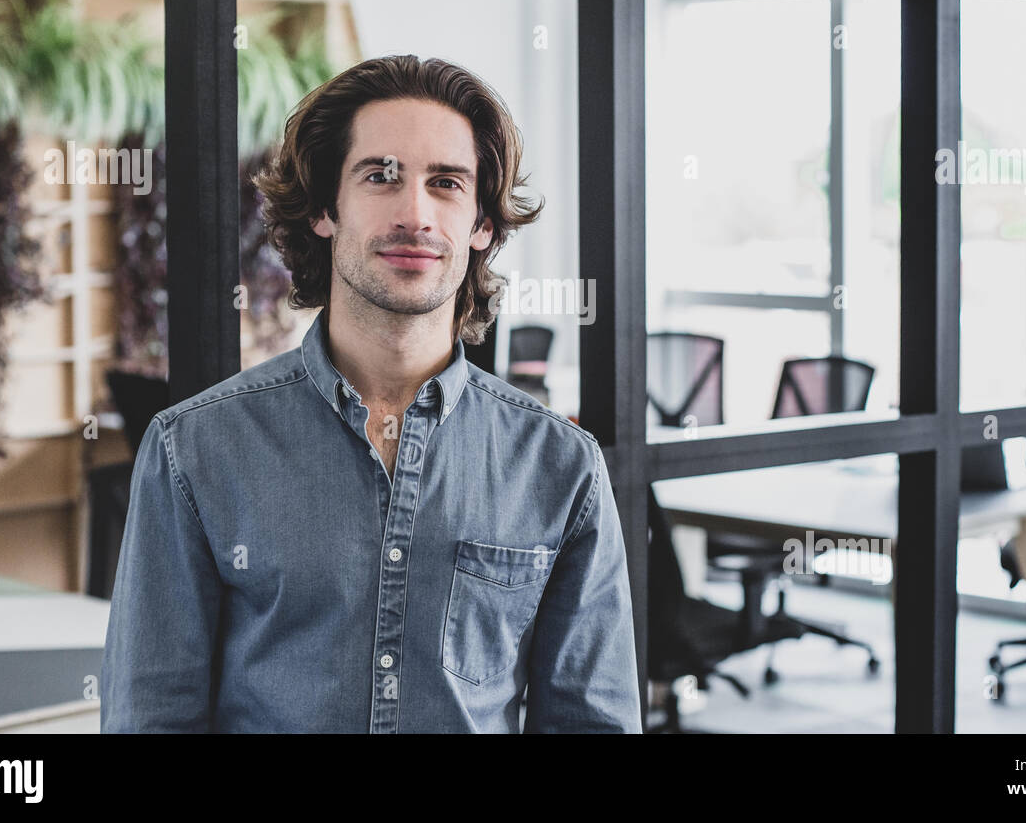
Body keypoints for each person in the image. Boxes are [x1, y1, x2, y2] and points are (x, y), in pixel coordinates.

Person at [100, 53, 642, 732]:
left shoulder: (560, 466)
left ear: (481, 226)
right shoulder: (194, 451)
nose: (414, 213)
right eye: (381, 177)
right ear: (326, 208)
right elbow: (152, 719)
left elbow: (591, 723)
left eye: (446, 183)